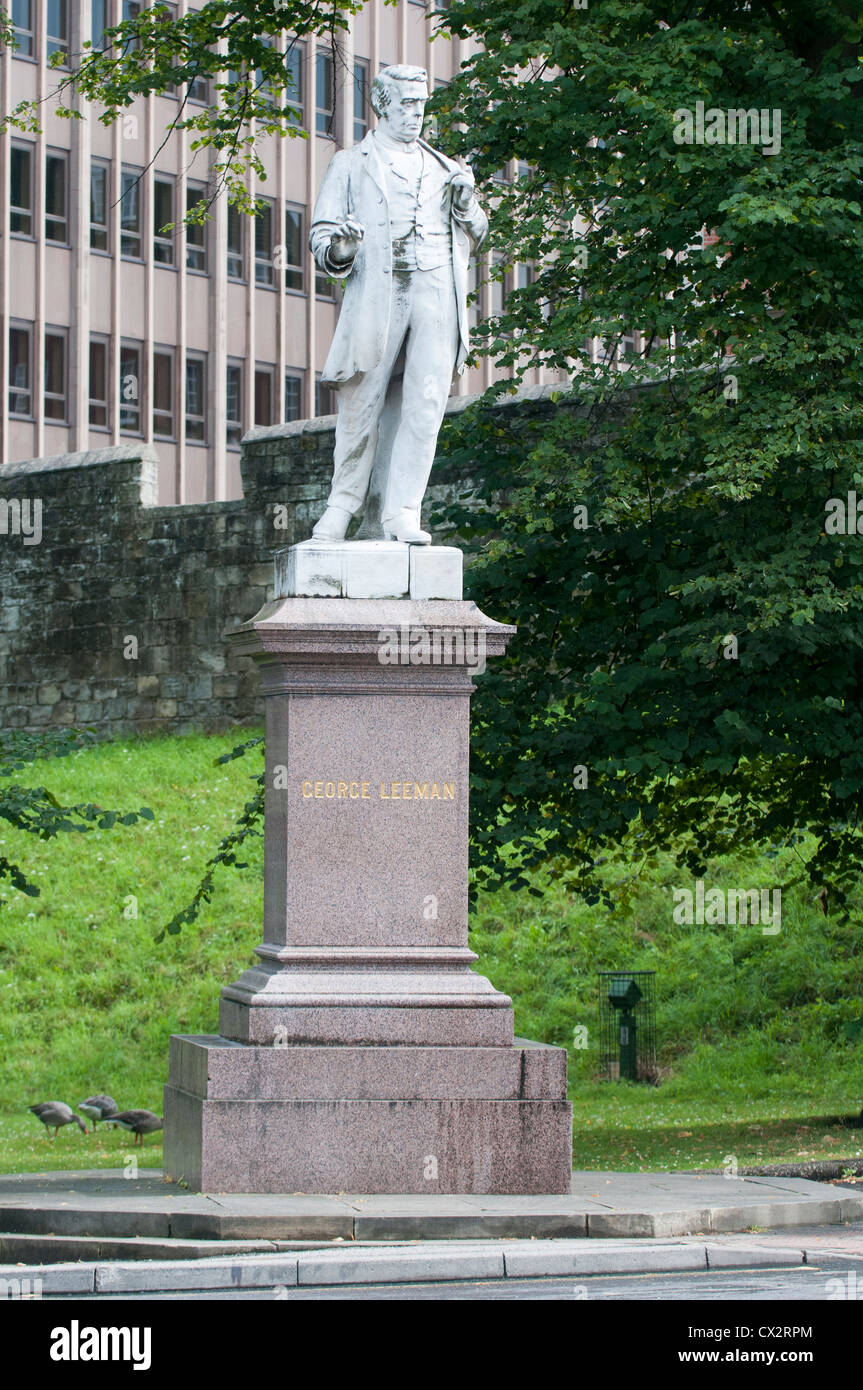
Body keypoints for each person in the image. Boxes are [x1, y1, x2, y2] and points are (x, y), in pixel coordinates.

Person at [309, 64, 488, 545]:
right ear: (382, 105)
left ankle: (402, 512)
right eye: (406, 104)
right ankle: (340, 510)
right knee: (361, 403)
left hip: (436, 292)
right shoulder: (351, 163)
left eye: (421, 104)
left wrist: (468, 204)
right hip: (380, 295)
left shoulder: (445, 168)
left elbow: (479, 231)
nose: (416, 114)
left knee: (425, 406)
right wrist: (342, 248)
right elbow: (322, 237)